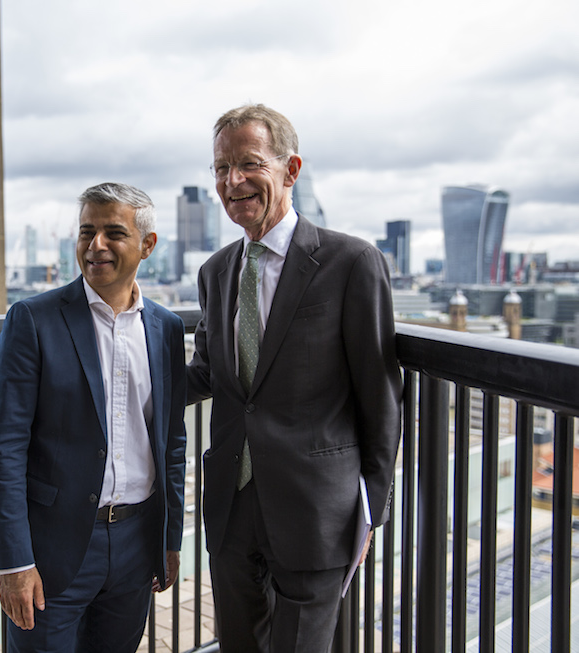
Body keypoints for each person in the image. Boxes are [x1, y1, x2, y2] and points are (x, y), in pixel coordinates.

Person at [187, 104, 403, 652]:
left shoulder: (351, 262)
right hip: (231, 506)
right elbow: (208, 373)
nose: (232, 181)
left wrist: (370, 511)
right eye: (221, 168)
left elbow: (380, 396)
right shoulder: (215, 272)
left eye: (249, 164)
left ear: (291, 169)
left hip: (316, 510)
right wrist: (117, 365)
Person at [0, 182, 187, 653]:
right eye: (87, 231)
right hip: (51, 549)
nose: (96, 245)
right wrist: (14, 563)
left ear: (147, 245)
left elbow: (172, 441)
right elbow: (3, 447)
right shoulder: (33, 319)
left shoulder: (167, 329)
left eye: (114, 233)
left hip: (137, 543)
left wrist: (169, 541)